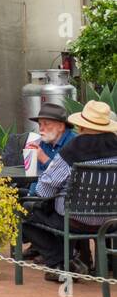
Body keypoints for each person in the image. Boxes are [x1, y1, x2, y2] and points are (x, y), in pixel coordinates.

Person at [22, 100, 117, 281]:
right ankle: (67, 261)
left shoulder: (73, 149)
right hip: (112, 220)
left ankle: (62, 262)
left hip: (75, 220)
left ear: (82, 127)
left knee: (25, 211)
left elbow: (44, 191)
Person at [26, 102, 75, 194]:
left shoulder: (73, 143)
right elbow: (38, 175)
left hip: (60, 198)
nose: (41, 128)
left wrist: (43, 158)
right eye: (40, 124)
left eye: (46, 124)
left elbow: (64, 178)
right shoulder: (43, 143)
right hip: (38, 194)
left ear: (61, 126)